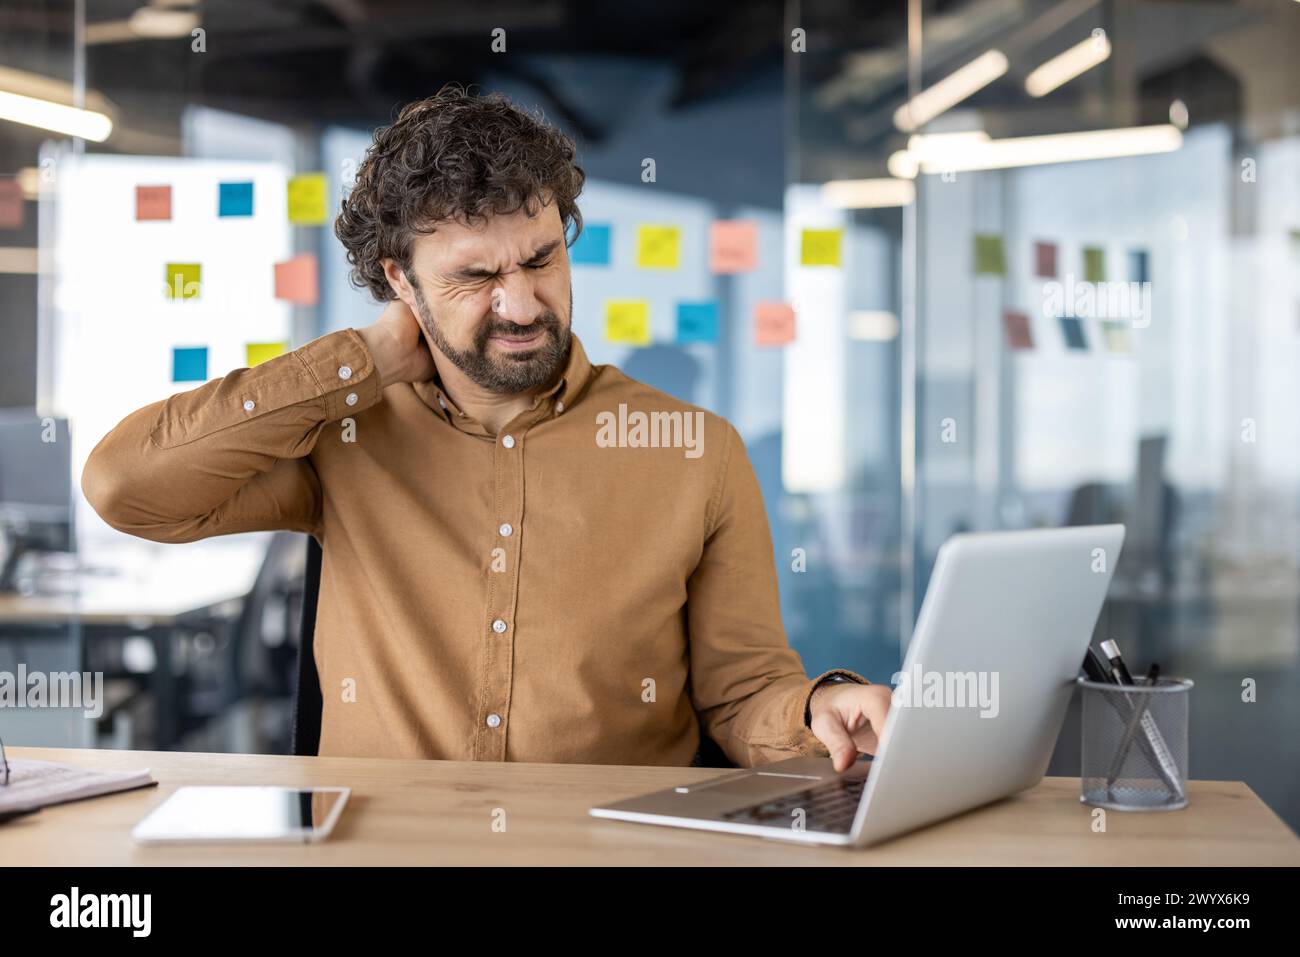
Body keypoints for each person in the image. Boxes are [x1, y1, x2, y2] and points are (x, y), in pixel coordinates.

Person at [82, 84, 891, 771]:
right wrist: (354, 364)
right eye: (475, 276)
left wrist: (817, 706)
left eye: (540, 259)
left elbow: (745, 692)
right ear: (401, 280)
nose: (521, 304)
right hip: (389, 856)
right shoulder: (343, 434)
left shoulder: (696, 450)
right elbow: (125, 488)